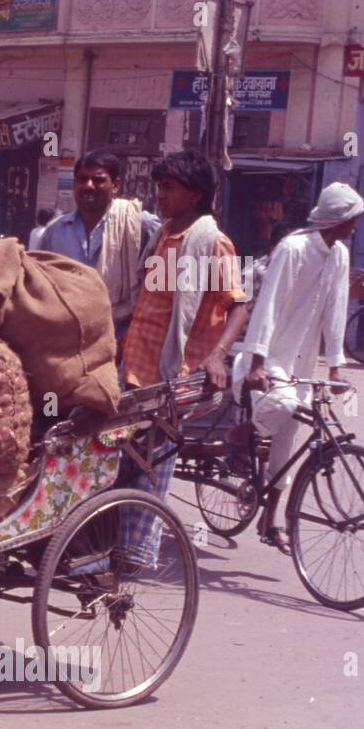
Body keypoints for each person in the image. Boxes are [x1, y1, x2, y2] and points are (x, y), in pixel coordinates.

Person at [116, 150, 250, 568]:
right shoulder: (163, 235)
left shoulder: (212, 242)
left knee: (150, 462)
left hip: (172, 374)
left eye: (168, 188)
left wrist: (218, 354)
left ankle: (134, 552)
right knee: (123, 458)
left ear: (193, 194)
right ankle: (108, 541)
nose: (160, 195)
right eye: (159, 187)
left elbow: (239, 305)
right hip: (136, 367)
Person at [226, 183, 364, 555]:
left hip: (302, 365)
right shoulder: (293, 248)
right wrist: (256, 362)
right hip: (266, 361)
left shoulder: (339, 255)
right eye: (354, 219)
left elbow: (337, 311)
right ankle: (241, 433)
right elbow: (268, 305)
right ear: (342, 218)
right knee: (283, 406)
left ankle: (271, 520)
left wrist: (335, 367)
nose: (356, 225)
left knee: (290, 439)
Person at [39, 150, 162, 343]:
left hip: (123, 337)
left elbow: (161, 285)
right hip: (68, 337)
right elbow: (42, 285)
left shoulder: (140, 224)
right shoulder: (55, 231)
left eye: (98, 180)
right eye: (81, 179)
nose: (88, 186)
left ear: (115, 185)